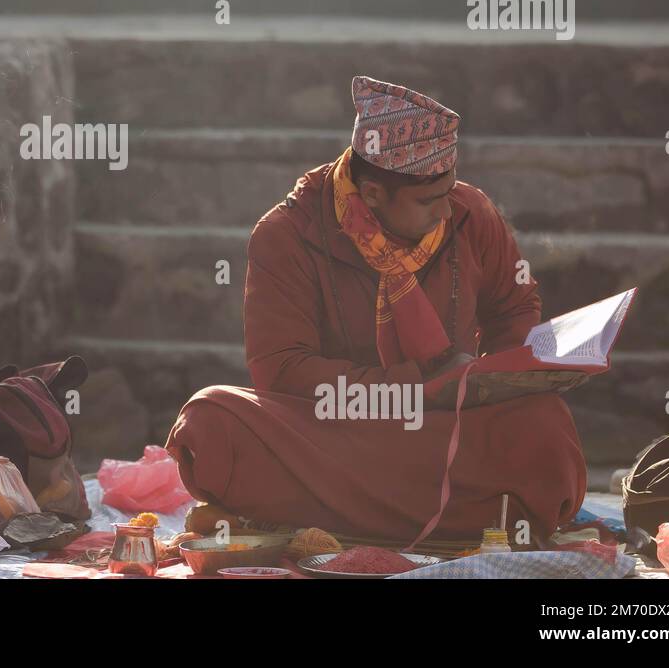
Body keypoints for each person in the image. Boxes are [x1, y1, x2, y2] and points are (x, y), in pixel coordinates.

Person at [166, 76, 587, 543]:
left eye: (449, 191)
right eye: (429, 200)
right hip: (336, 432)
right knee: (212, 420)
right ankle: (474, 516)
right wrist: (420, 386)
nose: (446, 211)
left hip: (447, 428)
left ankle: (332, 517)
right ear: (371, 195)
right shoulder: (286, 235)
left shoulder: (470, 211)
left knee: (544, 422)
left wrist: (502, 379)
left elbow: (513, 309)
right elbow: (281, 371)